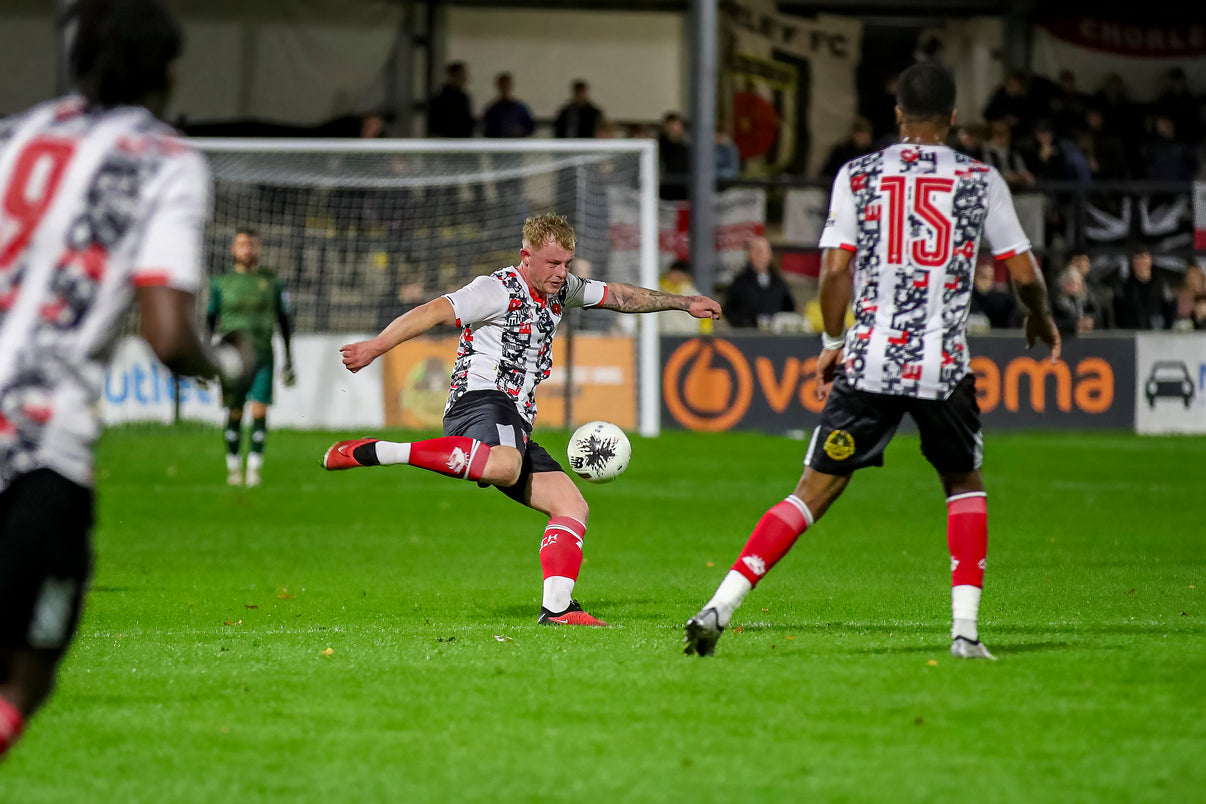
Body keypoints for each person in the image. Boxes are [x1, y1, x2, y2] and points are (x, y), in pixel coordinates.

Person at [684, 62, 1060, 661]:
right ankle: (964, 633)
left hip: (872, 361)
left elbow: (835, 271)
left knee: (811, 491)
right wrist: (1038, 314)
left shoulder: (860, 174)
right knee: (963, 482)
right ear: (955, 117)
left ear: (897, 115)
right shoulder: (979, 178)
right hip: (943, 365)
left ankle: (719, 606)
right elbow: (1021, 268)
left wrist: (833, 342)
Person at [0, 0, 246, 759]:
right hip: (37, 449)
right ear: (170, 71)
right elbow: (169, 335)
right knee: (27, 670)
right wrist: (228, 364)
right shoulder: (164, 159)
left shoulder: (15, 136)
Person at [324, 214, 721, 626]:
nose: (561, 273)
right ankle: (381, 451)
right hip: (479, 400)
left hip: (514, 417)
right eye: (552, 264)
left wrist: (685, 302)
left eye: (566, 263)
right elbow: (431, 312)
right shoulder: (494, 289)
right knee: (505, 464)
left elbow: (619, 296)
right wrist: (375, 346)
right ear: (526, 256)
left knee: (571, 505)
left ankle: (558, 609)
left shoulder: (561, 289)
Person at [207, 229, 296, 487]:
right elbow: (210, 320)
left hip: (263, 353)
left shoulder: (272, 281)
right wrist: (205, 352)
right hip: (231, 355)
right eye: (242, 244)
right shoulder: (221, 282)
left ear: (258, 249)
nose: (247, 249)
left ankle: (254, 468)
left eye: (251, 245)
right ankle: (233, 467)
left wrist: (289, 356)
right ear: (233, 249)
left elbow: (284, 319)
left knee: (260, 408)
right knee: (234, 410)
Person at [723, 236, 796, 329]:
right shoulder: (740, 283)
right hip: (749, 336)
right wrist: (745, 324)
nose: (762, 256)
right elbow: (729, 310)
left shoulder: (779, 283)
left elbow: (789, 309)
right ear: (749, 255)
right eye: (758, 252)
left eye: (765, 252)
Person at [427, 62, 474, 139]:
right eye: (462, 75)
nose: (465, 78)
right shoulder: (440, 99)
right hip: (446, 140)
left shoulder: (464, 98)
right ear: (453, 76)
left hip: (462, 140)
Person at [482, 73, 534, 139]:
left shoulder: (521, 109)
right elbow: (487, 130)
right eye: (503, 86)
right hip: (497, 145)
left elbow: (530, 127)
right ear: (499, 87)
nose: (505, 88)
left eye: (507, 85)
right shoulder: (492, 110)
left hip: (518, 144)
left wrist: (521, 131)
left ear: (511, 86)